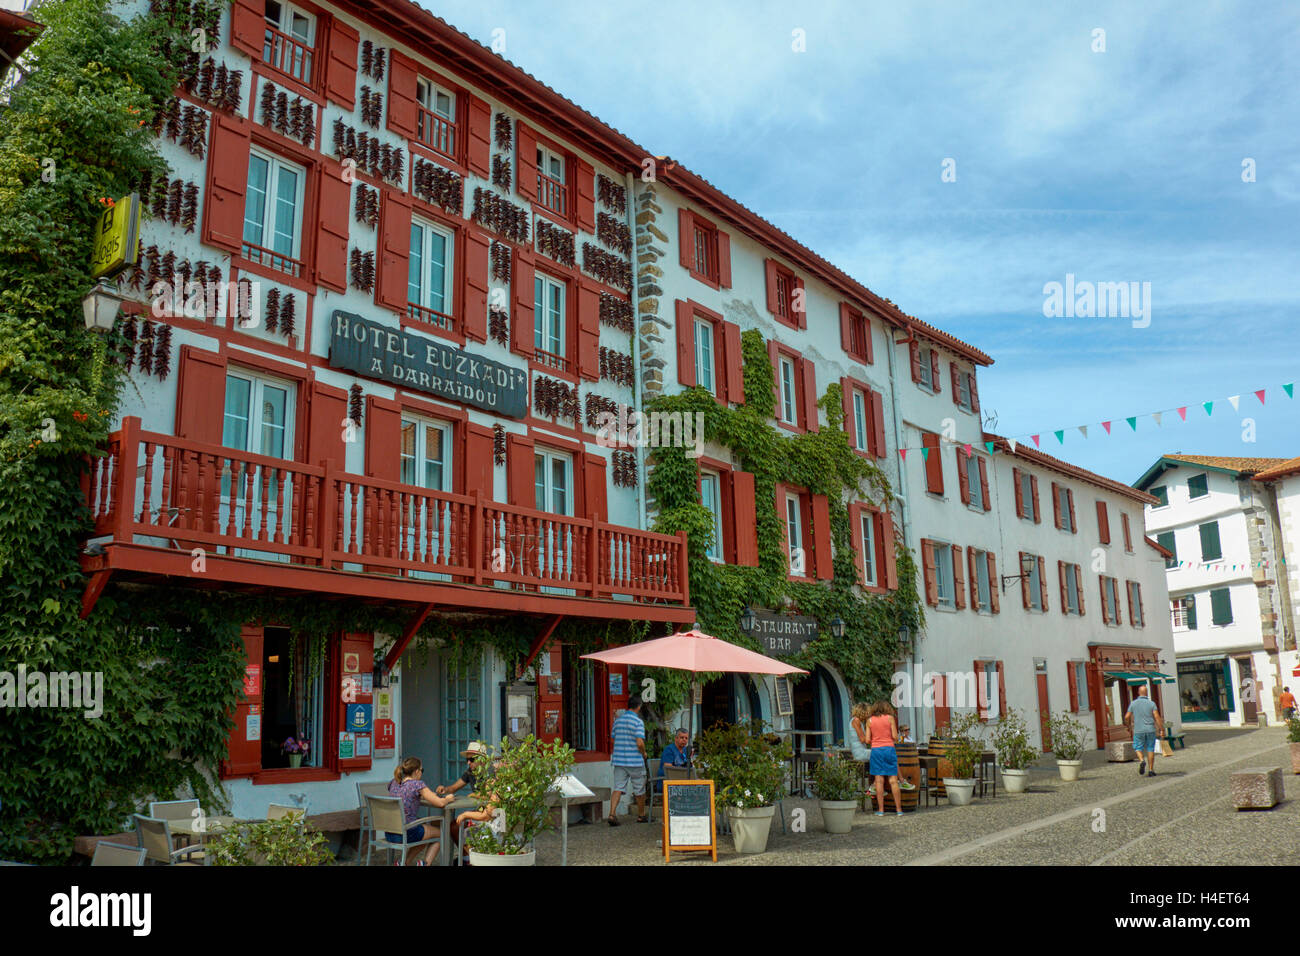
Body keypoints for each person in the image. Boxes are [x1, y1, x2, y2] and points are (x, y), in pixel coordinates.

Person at [387, 756, 454, 865]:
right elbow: (440, 803)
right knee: (440, 834)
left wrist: (420, 795)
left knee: (424, 834)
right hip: (407, 832)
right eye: (422, 770)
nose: (422, 773)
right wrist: (448, 798)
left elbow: (405, 794)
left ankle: (403, 863)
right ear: (417, 771)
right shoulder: (417, 784)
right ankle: (425, 864)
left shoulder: (393, 783)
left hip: (390, 832)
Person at [436, 741, 487, 847]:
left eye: (471, 759)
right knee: (454, 826)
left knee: (457, 826)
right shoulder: (470, 772)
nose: (468, 762)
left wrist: (474, 795)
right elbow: (454, 787)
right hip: (479, 811)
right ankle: (465, 857)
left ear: (482, 760)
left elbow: (488, 796)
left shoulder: (490, 772)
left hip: (489, 813)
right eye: (467, 759)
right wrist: (444, 789)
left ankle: (468, 856)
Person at [609, 694, 648, 825]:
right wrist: (644, 753)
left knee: (618, 787)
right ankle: (641, 815)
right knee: (639, 788)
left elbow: (613, 737)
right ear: (639, 707)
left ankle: (612, 814)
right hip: (635, 761)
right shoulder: (638, 722)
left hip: (619, 760)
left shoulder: (618, 721)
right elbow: (639, 742)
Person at [867, 700, 903, 816]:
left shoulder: (870, 720)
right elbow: (895, 737)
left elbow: (867, 740)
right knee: (893, 780)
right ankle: (899, 810)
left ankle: (881, 810)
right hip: (889, 749)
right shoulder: (890, 718)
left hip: (876, 751)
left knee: (879, 781)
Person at [1125, 685, 1166, 777]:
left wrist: (1128, 725)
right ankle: (1151, 770)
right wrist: (1161, 729)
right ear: (1146, 693)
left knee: (1137, 747)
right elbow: (1157, 717)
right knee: (1150, 748)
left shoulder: (1133, 703)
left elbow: (1127, 717)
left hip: (1138, 730)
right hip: (1150, 729)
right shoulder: (1152, 704)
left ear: (1139, 693)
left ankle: (1141, 760)